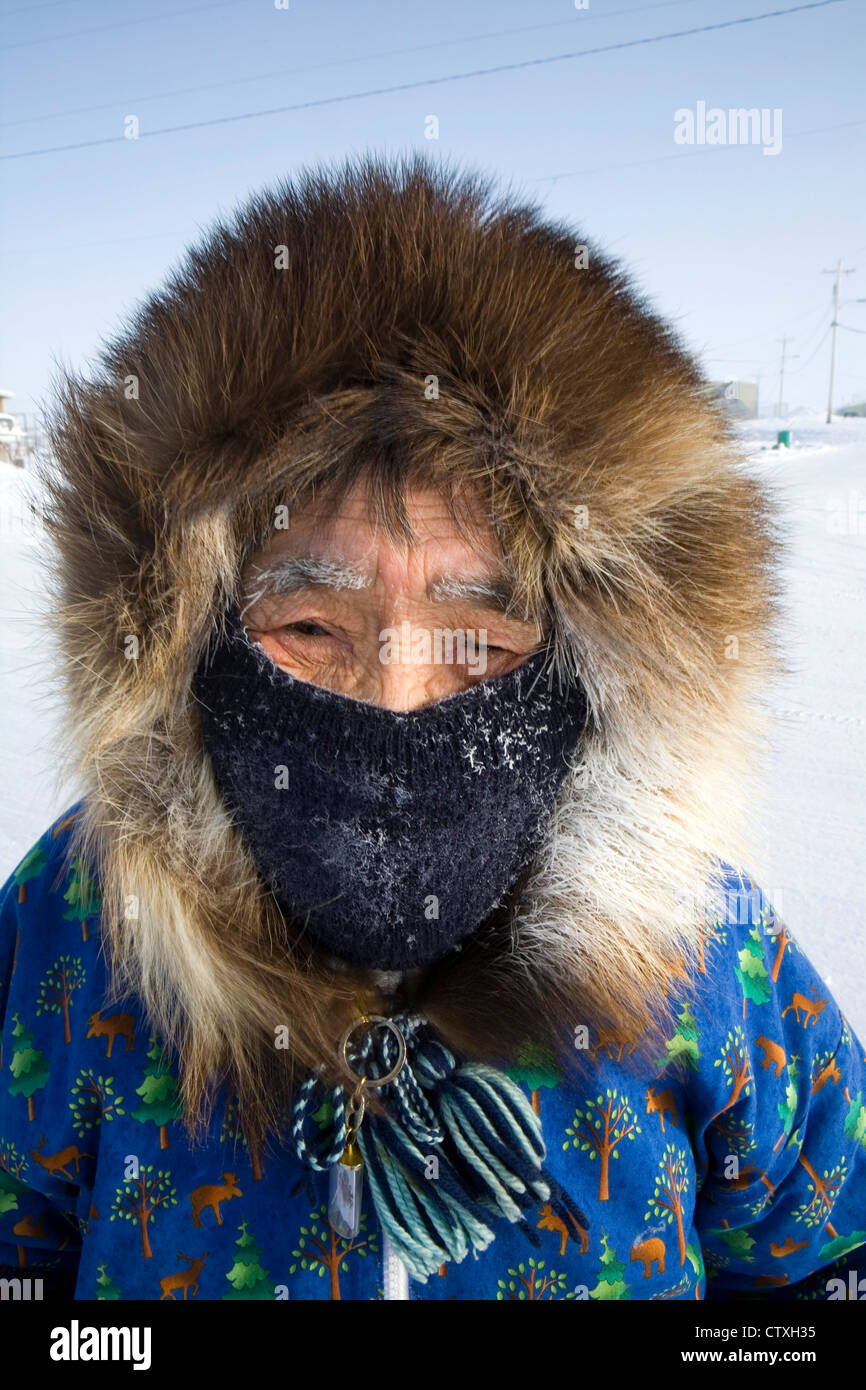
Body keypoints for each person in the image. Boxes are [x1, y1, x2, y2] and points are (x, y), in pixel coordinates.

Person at [1, 153, 863, 1303]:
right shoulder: (73, 925)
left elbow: (820, 1262)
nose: (395, 703)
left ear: (590, 665)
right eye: (309, 624)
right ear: (187, 642)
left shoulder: (707, 950)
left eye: (479, 640)